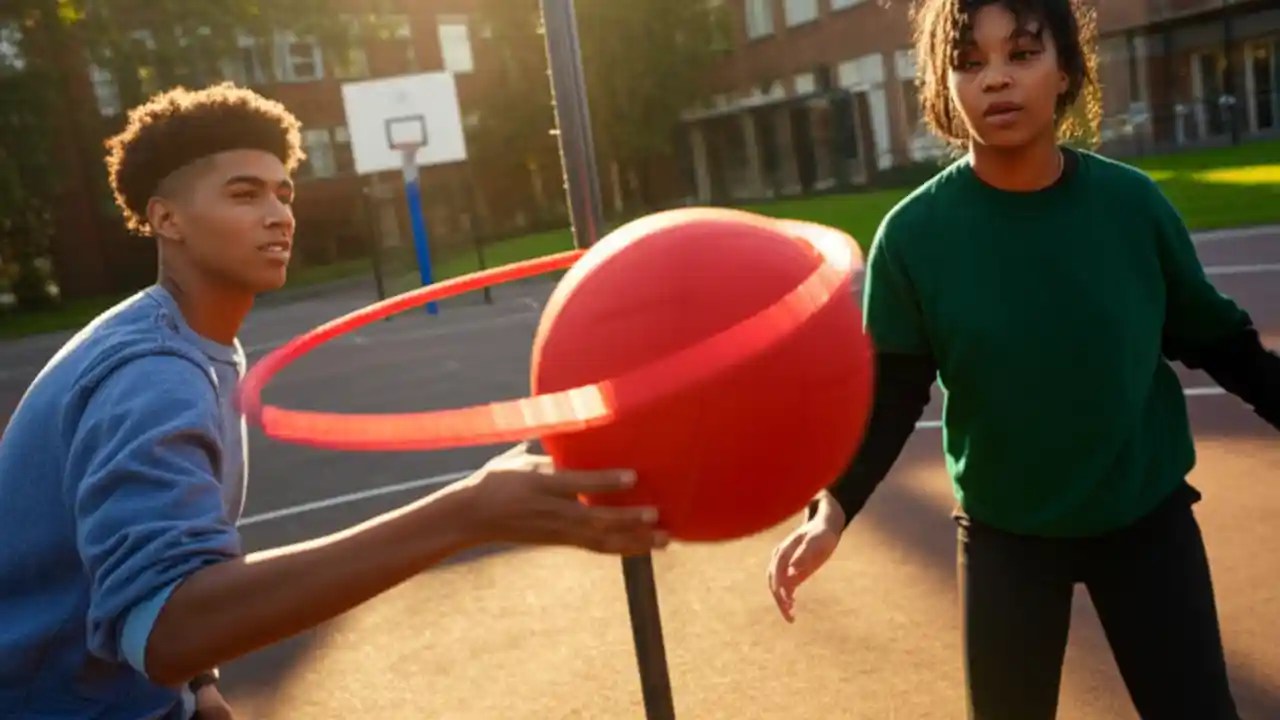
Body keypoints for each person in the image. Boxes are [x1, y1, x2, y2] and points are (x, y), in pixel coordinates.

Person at [0, 83, 667, 719]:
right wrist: (468, 513)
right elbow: (169, 627)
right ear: (165, 217)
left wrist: (199, 686)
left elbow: (150, 566)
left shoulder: (186, 339)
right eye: (244, 193)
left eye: (283, 193)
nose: (278, 214)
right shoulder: (150, 375)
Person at [767, 1, 1279, 718]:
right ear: (944, 88)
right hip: (1007, 535)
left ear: (1066, 70)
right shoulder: (913, 237)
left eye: (1022, 54)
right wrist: (833, 509)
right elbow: (891, 396)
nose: (996, 81)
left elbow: (1215, 337)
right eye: (969, 63)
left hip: (1143, 519)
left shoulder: (1131, 207)